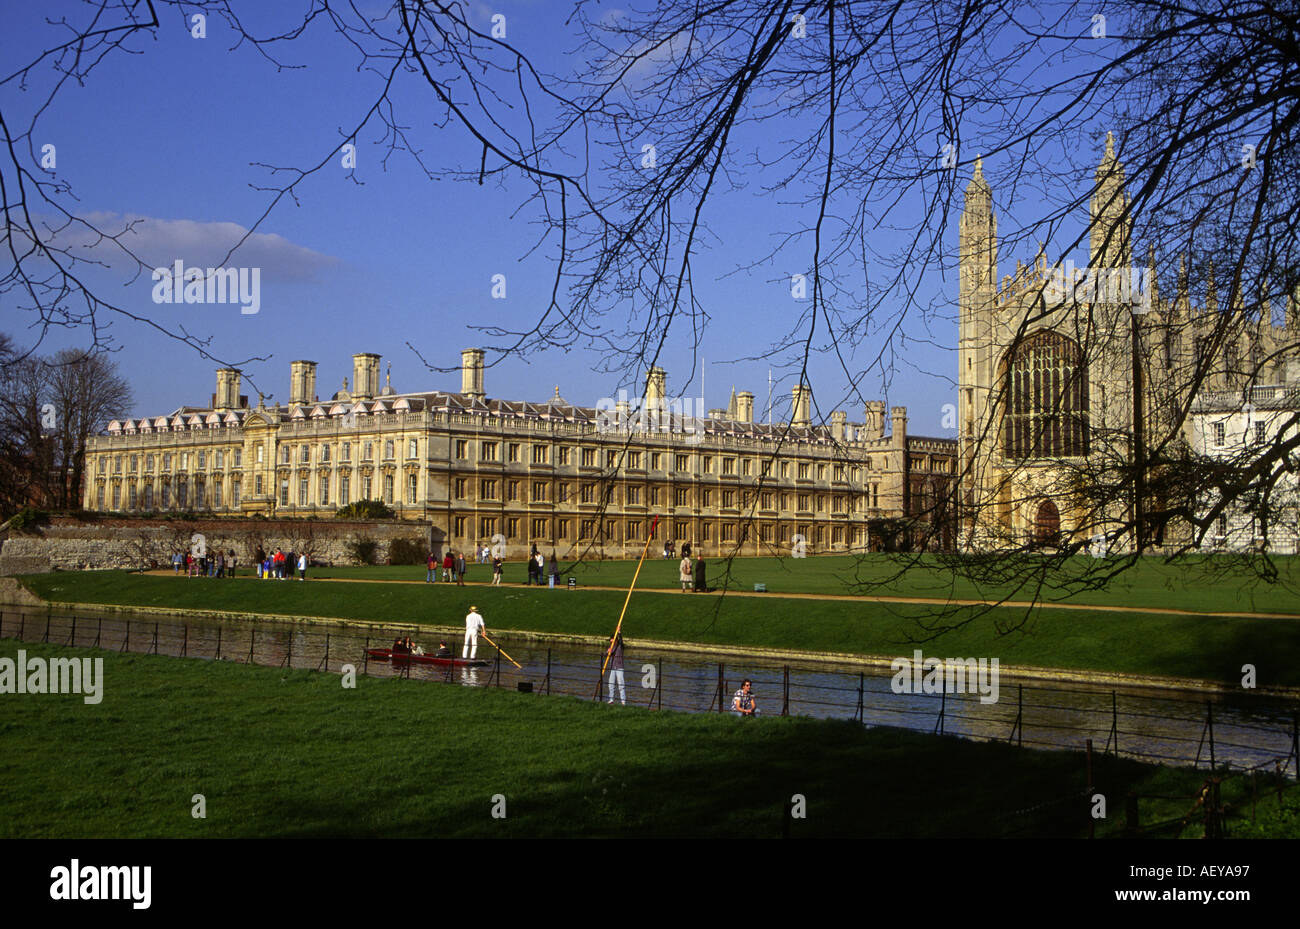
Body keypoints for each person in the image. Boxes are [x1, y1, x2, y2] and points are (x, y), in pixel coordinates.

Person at [605, 632, 626, 705]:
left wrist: (619, 634)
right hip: (612, 668)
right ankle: (611, 699)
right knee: (611, 684)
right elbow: (606, 654)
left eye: (611, 640)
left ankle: (623, 702)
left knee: (621, 684)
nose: (610, 642)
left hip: (619, 667)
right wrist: (608, 652)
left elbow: (621, 642)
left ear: (615, 640)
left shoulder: (619, 646)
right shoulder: (611, 647)